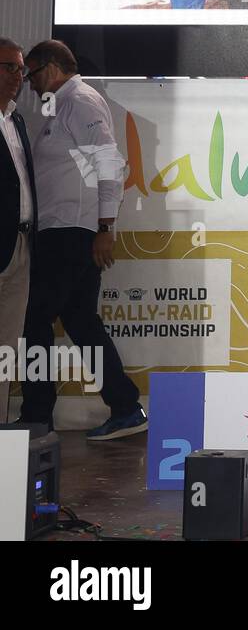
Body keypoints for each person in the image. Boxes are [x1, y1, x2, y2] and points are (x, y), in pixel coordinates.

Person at [18, 40, 145, 440]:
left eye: (31, 75)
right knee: (80, 322)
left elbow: (109, 165)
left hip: (71, 233)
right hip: (63, 231)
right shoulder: (60, 107)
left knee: (34, 319)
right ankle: (125, 407)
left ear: (52, 68)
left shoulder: (80, 102)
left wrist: (105, 228)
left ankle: (36, 416)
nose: (29, 85)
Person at [0, 38, 36, 422]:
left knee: (6, 348)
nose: (18, 76)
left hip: (21, 245)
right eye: (9, 67)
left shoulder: (16, 121)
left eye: (21, 69)